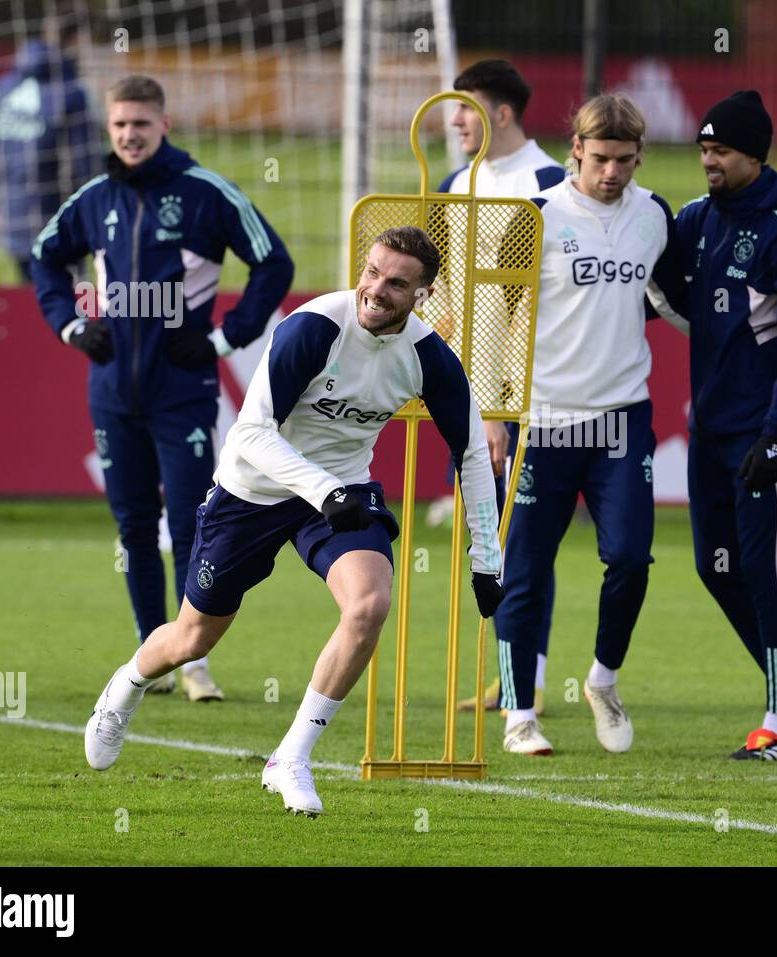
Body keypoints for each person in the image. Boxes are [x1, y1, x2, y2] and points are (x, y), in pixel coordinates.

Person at [82, 227, 505, 817]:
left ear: (423, 295)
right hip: (254, 489)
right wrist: (324, 490)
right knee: (193, 637)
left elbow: (472, 454)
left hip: (340, 492)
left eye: (396, 283)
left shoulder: (429, 356)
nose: (376, 290)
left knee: (369, 605)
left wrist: (487, 558)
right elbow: (251, 434)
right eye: (372, 272)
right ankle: (125, 687)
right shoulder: (314, 327)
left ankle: (291, 757)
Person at [31, 75, 294, 701]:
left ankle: (194, 658)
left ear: (164, 126)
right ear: (110, 128)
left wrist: (225, 339)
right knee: (134, 528)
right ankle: (153, 656)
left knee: (191, 521)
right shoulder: (94, 198)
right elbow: (44, 255)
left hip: (183, 389)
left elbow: (273, 261)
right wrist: (71, 325)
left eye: (141, 124)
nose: (130, 135)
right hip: (112, 391)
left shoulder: (204, 192)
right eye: (120, 124)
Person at [494, 93, 679, 756]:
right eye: (600, 158)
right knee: (524, 570)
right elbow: (494, 319)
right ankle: (519, 714)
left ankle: (602, 679)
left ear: (639, 156)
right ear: (575, 149)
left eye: (624, 160)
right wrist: (493, 414)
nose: (611, 172)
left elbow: (668, 300)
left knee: (629, 557)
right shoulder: (536, 217)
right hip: (542, 421)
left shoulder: (654, 215)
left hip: (621, 418)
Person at [665, 90, 777, 760]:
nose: (710, 160)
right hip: (708, 431)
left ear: (755, 156)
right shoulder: (695, 219)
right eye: (704, 149)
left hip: (763, 433)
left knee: (767, 571)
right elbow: (656, 285)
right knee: (716, 566)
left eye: (723, 151)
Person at [431, 59, 566, 717]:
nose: (454, 120)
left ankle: (524, 680)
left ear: (502, 114)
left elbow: (544, 303)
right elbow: (441, 290)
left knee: (522, 541)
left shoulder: (551, 185)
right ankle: (512, 675)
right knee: (491, 539)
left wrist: (503, 403)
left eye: (466, 107)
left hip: (524, 396)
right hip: (465, 391)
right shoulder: (454, 185)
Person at [0, 9, 99, 281]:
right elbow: (86, 164)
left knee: (29, 292)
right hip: (59, 221)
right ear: (77, 41)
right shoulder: (72, 93)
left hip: (12, 216)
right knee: (66, 298)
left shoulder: (2, 87)